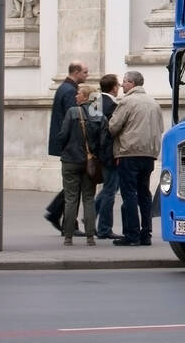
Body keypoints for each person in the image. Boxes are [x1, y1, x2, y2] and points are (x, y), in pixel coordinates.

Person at [108, 71, 165, 246]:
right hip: (149, 154)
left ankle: (132, 235)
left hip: (129, 152)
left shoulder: (127, 101)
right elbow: (160, 128)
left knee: (129, 194)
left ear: (132, 83)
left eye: (124, 82)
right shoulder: (154, 103)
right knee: (144, 194)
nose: (122, 85)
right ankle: (146, 234)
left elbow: (113, 127)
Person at [55, 84, 111, 246]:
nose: (76, 96)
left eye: (79, 93)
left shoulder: (72, 112)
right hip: (90, 163)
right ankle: (90, 237)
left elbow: (63, 135)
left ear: (86, 96)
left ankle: (68, 237)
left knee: (71, 199)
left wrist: (66, 148)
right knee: (89, 199)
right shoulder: (100, 116)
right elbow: (103, 142)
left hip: (70, 160)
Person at [45, 60, 89, 233]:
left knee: (72, 184)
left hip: (66, 144)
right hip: (72, 145)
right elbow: (75, 119)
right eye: (85, 72)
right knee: (74, 186)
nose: (86, 75)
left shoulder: (63, 88)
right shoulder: (71, 91)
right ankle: (67, 222)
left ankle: (55, 212)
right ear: (76, 72)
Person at [92, 73, 122, 239]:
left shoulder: (95, 103)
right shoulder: (112, 106)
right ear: (114, 87)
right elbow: (112, 132)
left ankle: (90, 215)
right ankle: (104, 228)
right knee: (110, 191)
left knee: (109, 189)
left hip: (99, 153)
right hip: (110, 154)